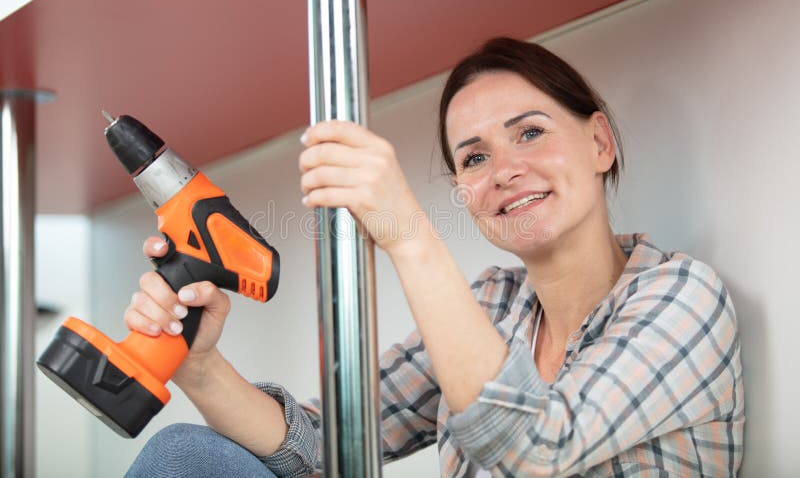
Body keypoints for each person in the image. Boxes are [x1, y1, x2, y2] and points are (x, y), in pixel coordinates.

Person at [125, 38, 744, 477]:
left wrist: (407, 233)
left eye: (529, 132)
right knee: (186, 456)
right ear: (464, 192)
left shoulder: (682, 297)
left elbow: (538, 449)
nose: (505, 170)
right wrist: (199, 366)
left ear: (599, 142)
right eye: (474, 158)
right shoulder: (492, 306)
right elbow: (325, 445)